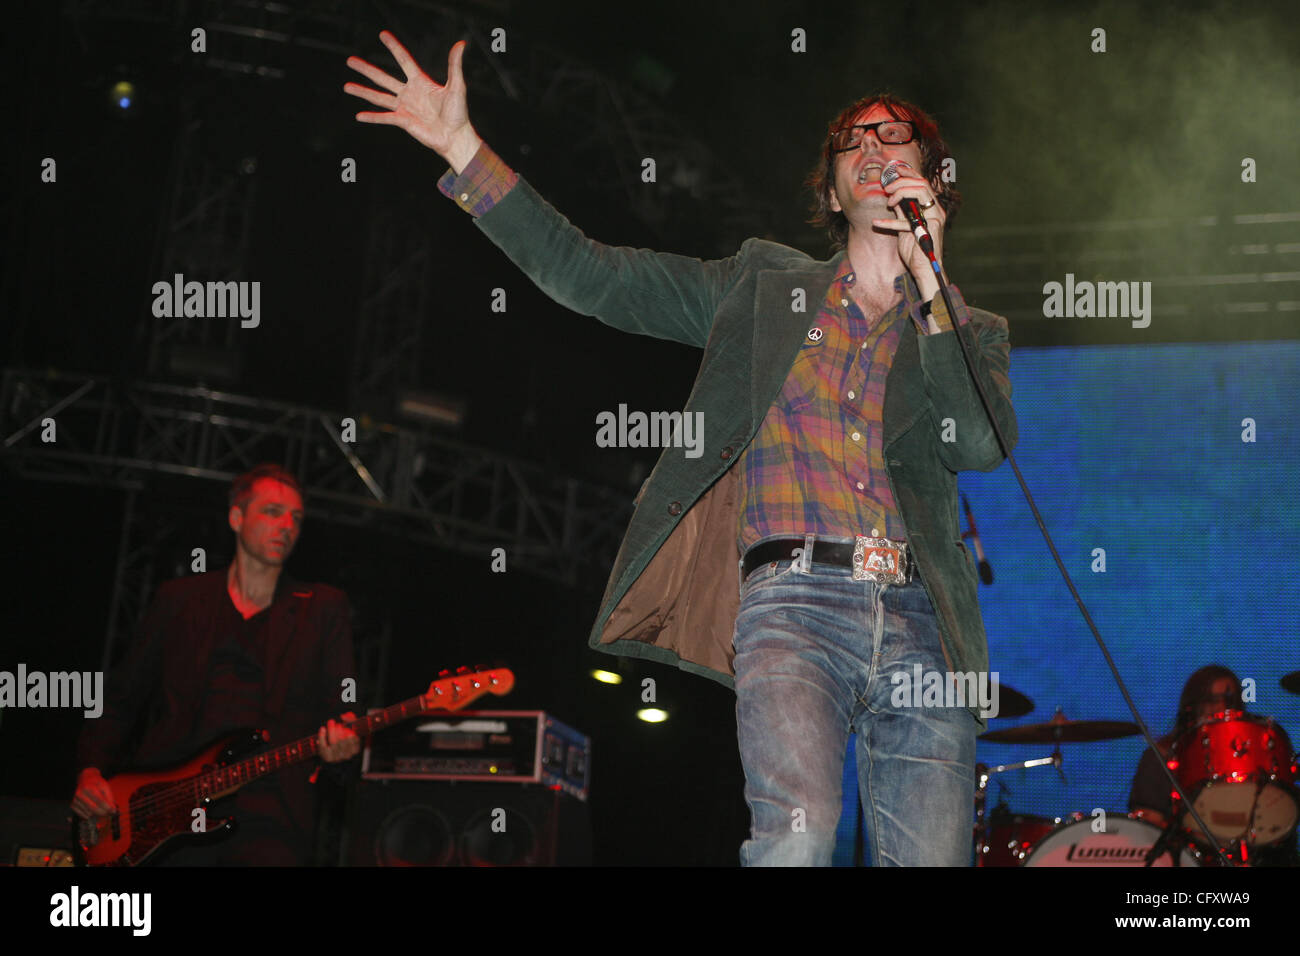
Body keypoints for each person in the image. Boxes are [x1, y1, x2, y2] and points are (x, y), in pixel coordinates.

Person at [346, 33, 1016, 865]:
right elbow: (592, 276)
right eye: (853, 141)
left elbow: (981, 441)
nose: (873, 149)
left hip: (924, 621)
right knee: (796, 838)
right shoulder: (760, 287)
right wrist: (462, 148)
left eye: (894, 137)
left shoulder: (968, 328)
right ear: (832, 191)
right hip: (794, 607)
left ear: (931, 174)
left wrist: (932, 288)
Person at [71, 464, 361, 865]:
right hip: (166, 808)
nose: (287, 526)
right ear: (236, 517)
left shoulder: (323, 608)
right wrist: (91, 771)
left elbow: (342, 703)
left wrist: (343, 739)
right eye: (272, 512)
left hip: (270, 813)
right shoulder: (180, 600)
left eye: (295, 517)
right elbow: (120, 699)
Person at [1129, 664, 1297, 865]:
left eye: (1231, 700)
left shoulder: (1251, 754)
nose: (1223, 707)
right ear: (1193, 705)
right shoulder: (1160, 755)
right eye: (1213, 700)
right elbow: (1148, 821)